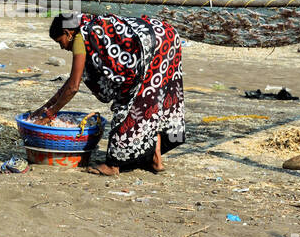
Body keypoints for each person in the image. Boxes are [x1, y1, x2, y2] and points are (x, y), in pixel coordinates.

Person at [32, 12, 186, 175]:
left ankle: (113, 165)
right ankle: (156, 161)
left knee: (131, 104)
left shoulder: (79, 38)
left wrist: (50, 114)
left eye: (59, 42)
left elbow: (73, 86)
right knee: (153, 99)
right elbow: (70, 83)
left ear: (68, 33)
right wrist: (45, 108)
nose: (62, 47)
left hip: (148, 44)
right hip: (165, 36)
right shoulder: (86, 25)